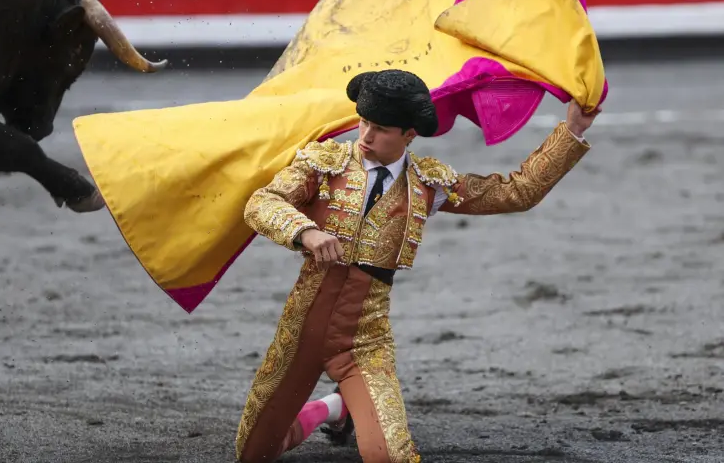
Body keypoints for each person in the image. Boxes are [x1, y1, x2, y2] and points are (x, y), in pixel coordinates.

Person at [234, 69, 600, 463]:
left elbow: (516, 193)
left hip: (364, 340)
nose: (366, 136)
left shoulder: (428, 184)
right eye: (364, 122)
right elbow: (261, 203)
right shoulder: (325, 164)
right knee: (253, 454)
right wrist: (306, 232)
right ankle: (332, 408)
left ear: (409, 135)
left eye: (381, 129)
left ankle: (347, 403)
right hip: (299, 334)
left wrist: (572, 131)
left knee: (388, 457)